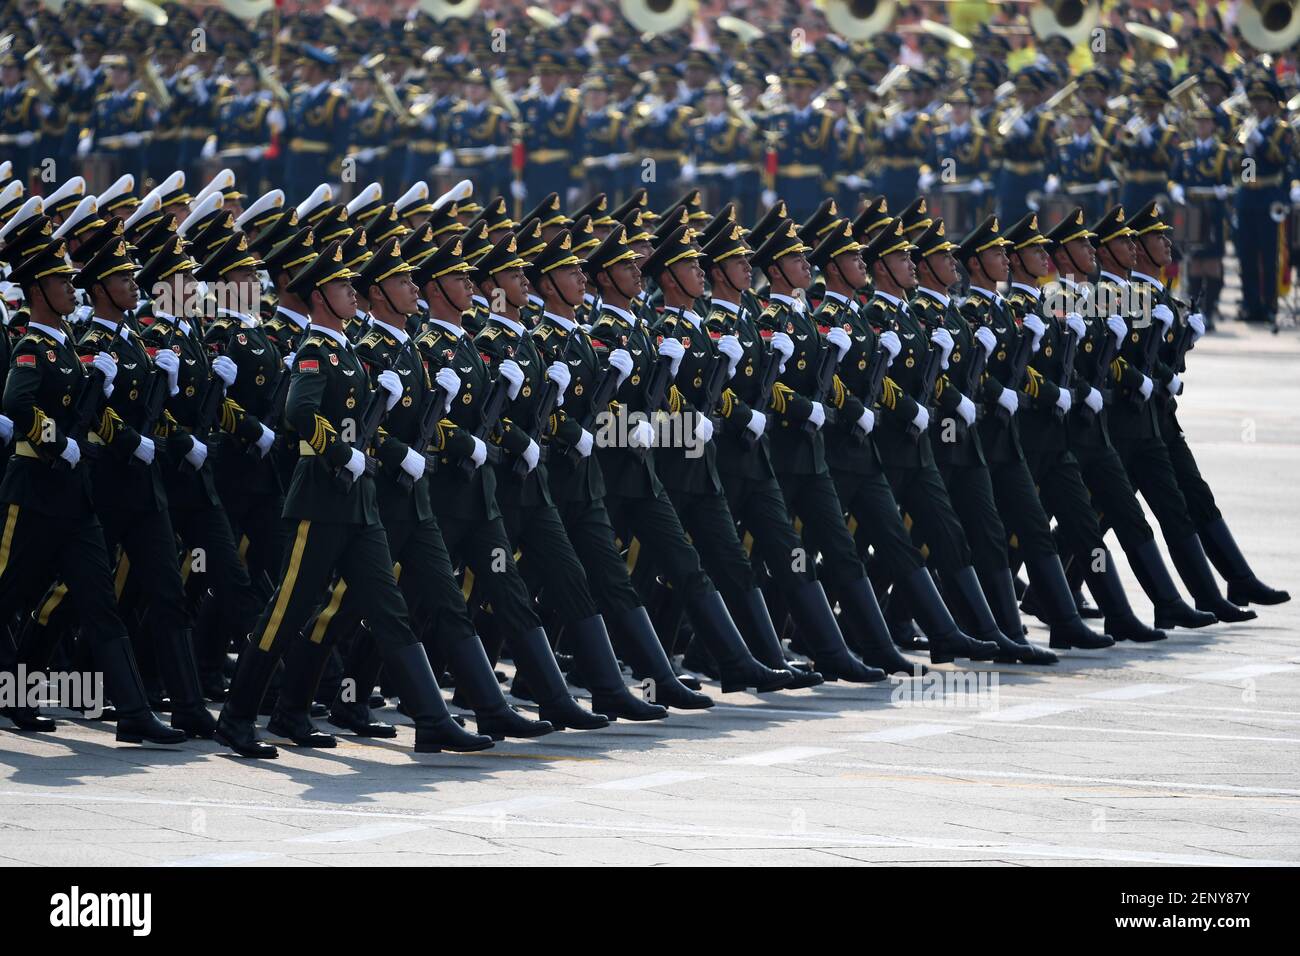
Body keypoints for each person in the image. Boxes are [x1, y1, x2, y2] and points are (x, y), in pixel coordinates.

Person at [214, 240, 493, 758]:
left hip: (361, 505)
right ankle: (235, 718)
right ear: (320, 297)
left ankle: (429, 721)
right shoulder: (317, 351)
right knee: (287, 609)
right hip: (321, 500)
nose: (351, 293)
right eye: (342, 286)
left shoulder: (348, 349)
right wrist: (342, 453)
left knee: (389, 610)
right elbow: (299, 414)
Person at [0, 237, 181, 745]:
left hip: (74, 499)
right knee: (7, 595)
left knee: (99, 600)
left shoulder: (65, 347)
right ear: (37, 290)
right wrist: (57, 445)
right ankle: (14, 697)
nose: (70, 288)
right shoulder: (32, 347)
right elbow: (18, 405)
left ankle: (133, 712)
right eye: (60, 282)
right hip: (34, 490)